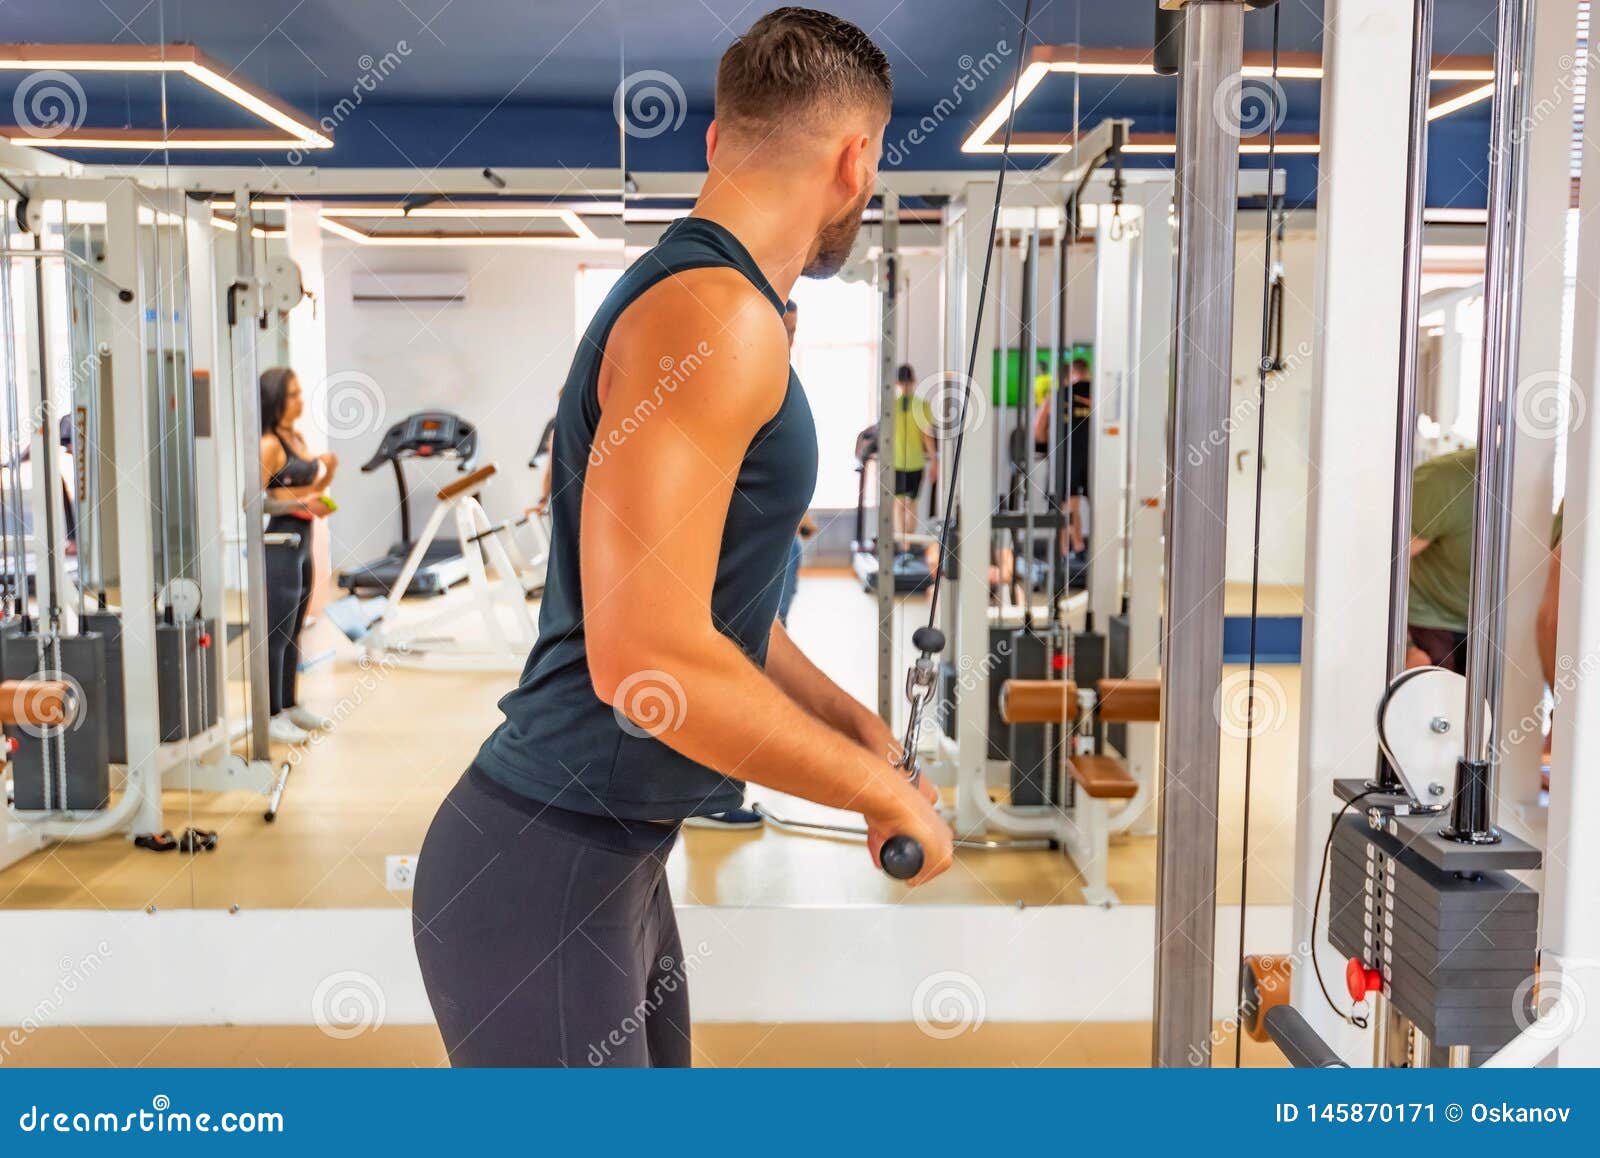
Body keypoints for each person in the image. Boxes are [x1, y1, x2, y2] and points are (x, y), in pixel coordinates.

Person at [412, 7, 953, 1069]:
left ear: (716, 140)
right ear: (857, 161)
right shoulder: (717, 318)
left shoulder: (712, 301)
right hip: (545, 865)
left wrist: (849, 722)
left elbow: (705, 608)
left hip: (605, 862)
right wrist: (877, 793)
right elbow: (646, 660)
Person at [258, 368, 336, 743]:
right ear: (276, 400)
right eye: (292, 394)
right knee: (276, 632)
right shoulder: (269, 444)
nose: (300, 400)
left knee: (294, 630)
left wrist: (327, 476)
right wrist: (304, 500)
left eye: (300, 392)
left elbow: (307, 490)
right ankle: (271, 715)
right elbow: (256, 500)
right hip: (279, 543)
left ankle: (289, 705)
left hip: (303, 541)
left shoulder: (297, 438)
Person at [1404, 446, 1476, 674]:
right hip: (1431, 617)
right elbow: (1378, 567)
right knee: (1434, 703)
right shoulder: (1444, 482)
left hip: (1492, 623)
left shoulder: (1545, 492)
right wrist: (1405, 647)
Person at [1034, 356, 1092, 555]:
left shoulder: (1058, 396)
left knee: (1067, 502)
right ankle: (1080, 547)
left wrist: (1044, 447)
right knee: (1096, 501)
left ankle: (1066, 551)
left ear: (1070, 375)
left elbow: (1038, 427)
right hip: (1094, 456)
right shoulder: (1101, 392)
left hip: (1066, 453)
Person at [890, 363, 935, 540]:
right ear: (914, 380)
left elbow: (927, 435)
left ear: (896, 382)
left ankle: (904, 545)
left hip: (904, 463)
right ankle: (905, 544)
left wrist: (934, 460)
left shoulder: (892, 406)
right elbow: (927, 436)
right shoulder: (920, 405)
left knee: (902, 506)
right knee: (908, 506)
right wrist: (934, 460)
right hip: (904, 463)